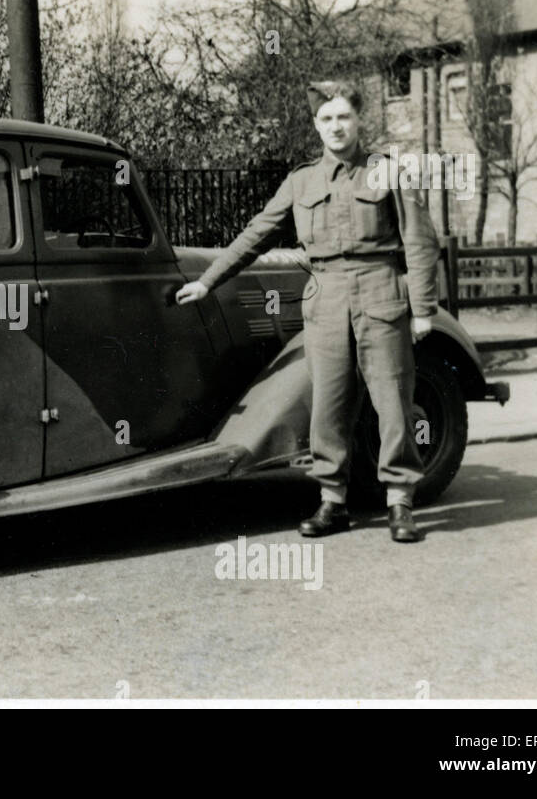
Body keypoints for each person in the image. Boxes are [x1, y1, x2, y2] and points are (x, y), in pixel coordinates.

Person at [176, 80, 440, 542]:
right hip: (326, 298)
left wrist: (423, 309)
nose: (336, 127)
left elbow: (419, 241)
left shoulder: (389, 172)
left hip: (381, 291)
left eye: (344, 117)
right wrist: (207, 280)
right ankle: (332, 502)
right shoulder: (301, 180)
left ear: (359, 121)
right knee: (328, 406)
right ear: (316, 126)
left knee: (393, 402)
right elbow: (258, 233)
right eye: (326, 119)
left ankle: (400, 501)